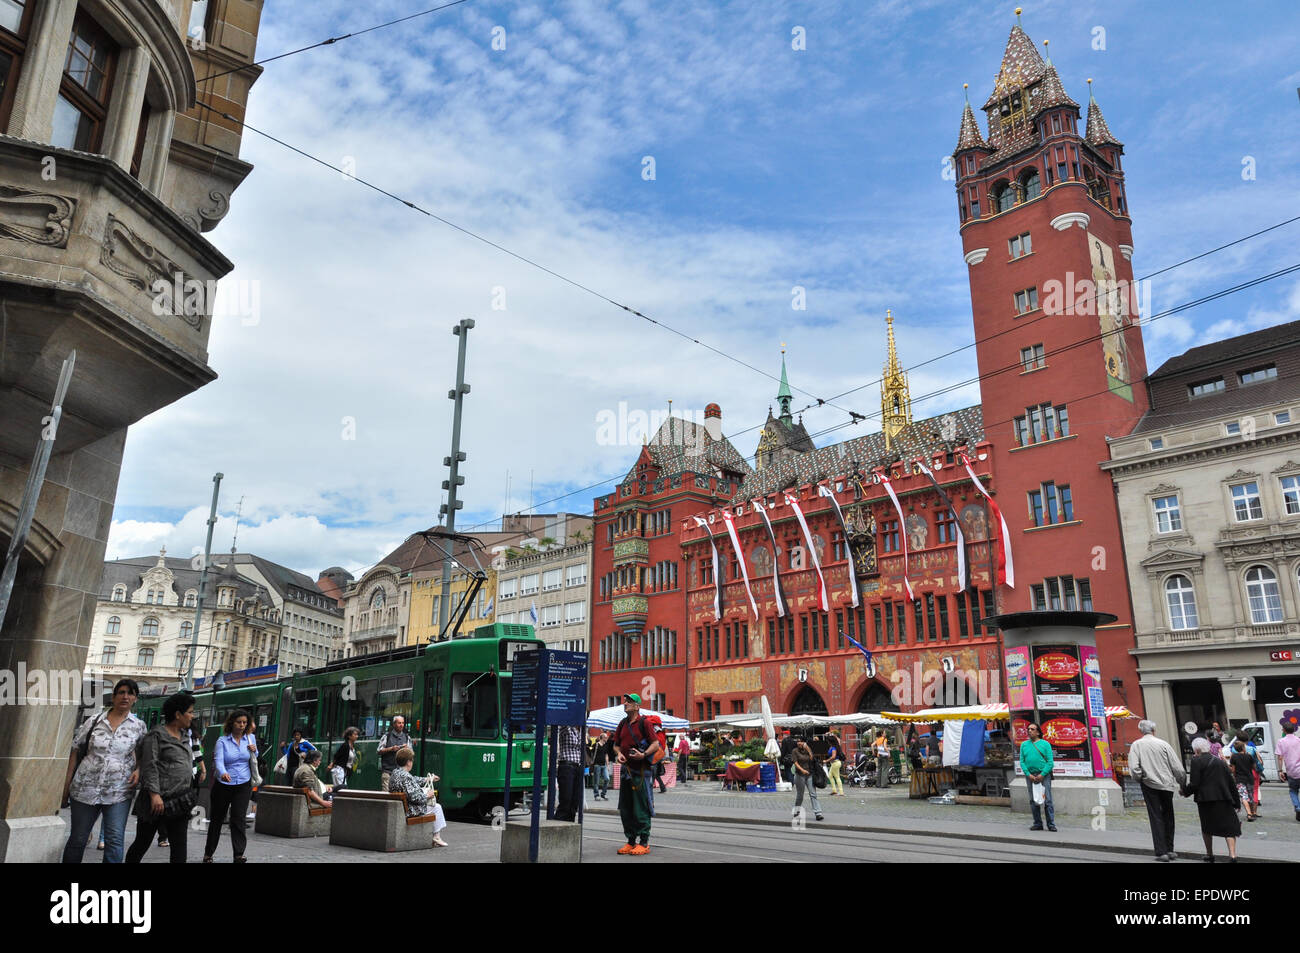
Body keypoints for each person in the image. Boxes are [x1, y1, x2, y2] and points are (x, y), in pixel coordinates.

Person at [62, 678, 147, 864]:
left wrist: (139, 770)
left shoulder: (139, 726)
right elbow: (75, 752)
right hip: (85, 789)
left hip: (119, 791)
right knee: (78, 839)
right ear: (114, 696)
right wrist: (66, 787)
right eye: (121, 692)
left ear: (135, 699)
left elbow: (143, 755)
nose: (125, 696)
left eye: (130, 693)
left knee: (114, 840)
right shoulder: (95, 720)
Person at [126, 693, 198, 863]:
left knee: (180, 847)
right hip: (156, 801)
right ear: (178, 714)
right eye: (190, 712)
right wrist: (154, 795)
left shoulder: (185, 736)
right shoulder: (155, 736)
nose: (193, 716)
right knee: (142, 842)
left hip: (180, 800)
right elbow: (149, 766)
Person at [203, 708, 258, 863]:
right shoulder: (222, 741)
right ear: (232, 723)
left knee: (238, 818)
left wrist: (255, 750)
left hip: (243, 783)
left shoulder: (250, 738)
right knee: (217, 819)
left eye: (244, 723)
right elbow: (218, 760)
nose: (241, 725)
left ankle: (239, 854)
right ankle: (208, 854)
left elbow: (254, 757)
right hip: (224, 784)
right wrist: (223, 772)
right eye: (239, 722)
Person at [1127, 719, 1186, 861]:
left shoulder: (1137, 745)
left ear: (1141, 731)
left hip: (1149, 784)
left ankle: (1161, 851)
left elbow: (1134, 768)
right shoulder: (1164, 744)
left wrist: (1140, 778)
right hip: (1167, 785)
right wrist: (1182, 784)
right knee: (1168, 816)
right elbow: (1178, 769)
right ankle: (1170, 849)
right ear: (1154, 730)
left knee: (1156, 817)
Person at [611, 692, 659, 855]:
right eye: (625, 701)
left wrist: (643, 755)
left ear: (637, 706)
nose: (625, 703)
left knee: (641, 807)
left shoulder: (644, 723)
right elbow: (616, 745)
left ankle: (644, 842)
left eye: (629, 702)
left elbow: (655, 744)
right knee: (626, 807)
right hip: (626, 771)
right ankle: (631, 841)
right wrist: (619, 754)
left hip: (641, 771)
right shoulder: (622, 723)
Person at [1184, 736, 1241, 862]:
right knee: (1229, 827)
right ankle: (1232, 855)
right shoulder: (1220, 761)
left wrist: (1185, 792)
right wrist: (1237, 802)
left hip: (1205, 800)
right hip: (1223, 798)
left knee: (1207, 827)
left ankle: (1209, 854)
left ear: (1197, 750)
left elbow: (1194, 783)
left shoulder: (1196, 761)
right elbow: (1231, 782)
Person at [388, 747, 448, 846]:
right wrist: (427, 795)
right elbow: (415, 798)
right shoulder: (406, 777)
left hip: (402, 807)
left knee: (435, 807)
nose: (412, 762)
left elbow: (413, 780)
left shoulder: (396, 773)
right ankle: (436, 836)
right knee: (437, 807)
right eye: (411, 760)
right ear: (408, 762)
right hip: (410, 810)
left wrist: (428, 779)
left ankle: (435, 836)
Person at [1019, 723, 1057, 832]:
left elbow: (1050, 763)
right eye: (1028, 729)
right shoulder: (1024, 745)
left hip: (1043, 775)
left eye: (1032, 729)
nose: (1029, 731)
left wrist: (1043, 774)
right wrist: (1028, 774)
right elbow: (1022, 761)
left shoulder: (1045, 744)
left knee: (1048, 800)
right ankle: (1037, 823)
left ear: (1038, 732)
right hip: (1030, 775)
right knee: (1033, 800)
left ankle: (1051, 824)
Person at [791, 737, 824, 821]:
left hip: (809, 775)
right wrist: (802, 770)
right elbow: (795, 763)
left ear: (804, 742)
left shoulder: (807, 750)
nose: (799, 743)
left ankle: (818, 813)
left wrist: (808, 749)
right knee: (800, 795)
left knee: (813, 794)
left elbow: (812, 759)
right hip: (799, 775)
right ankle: (797, 810)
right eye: (798, 741)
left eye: (801, 741)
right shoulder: (795, 751)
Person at [555, 724, 584, 821]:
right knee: (566, 800)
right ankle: (556, 826)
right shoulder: (566, 728)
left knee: (574, 802)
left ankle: (569, 827)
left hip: (578, 767)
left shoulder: (581, 730)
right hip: (566, 766)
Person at [1273, 720, 1300, 822]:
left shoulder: (1281, 741)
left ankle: (1298, 807)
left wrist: (1280, 770)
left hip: (1291, 771)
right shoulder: (1299, 740)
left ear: (1283, 730)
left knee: (1293, 791)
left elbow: (1280, 757)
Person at [376, 716, 411, 792]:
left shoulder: (407, 737)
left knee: (399, 796)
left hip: (401, 774)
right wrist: (391, 749)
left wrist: (407, 749)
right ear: (394, 724)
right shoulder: (386, 736)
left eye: (403, 723)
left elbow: (411, 754)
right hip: (388, 772)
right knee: (386, 796)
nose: (401, 725)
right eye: (399, 723)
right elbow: (379, 750)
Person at [1228, 739, 1259, 821]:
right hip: (1250, 779)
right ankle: (1252, 813)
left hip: (1239, 779)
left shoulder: (1234, 757)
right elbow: (1254, 767)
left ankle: (1249, 813)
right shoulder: (1249, 756)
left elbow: (1233, 770)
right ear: (1243, 747)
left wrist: (1234, 776)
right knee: (1251, 796)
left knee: (1244, 797)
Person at [591, 731, 613, 800]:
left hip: (604, 765)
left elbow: (606, 755)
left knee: (607, 779)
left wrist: (608, 765)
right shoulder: (596, 745)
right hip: (597, 765)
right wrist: (592, 763)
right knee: (596, 781)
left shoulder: (606, 746)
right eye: (606, 737)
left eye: (607, 737)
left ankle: (603, 794)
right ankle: (596, 795)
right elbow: (591, 754)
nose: (607, 738)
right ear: (602, 737)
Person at [824, 732, 845, 796]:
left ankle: (840, 792)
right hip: (835, 763)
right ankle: (834, 790)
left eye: (828, 741)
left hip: (835, 763)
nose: (827, 742)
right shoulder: (833, 747)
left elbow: (833, 756)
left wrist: (826, 761)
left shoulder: (833, 748)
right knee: (831, 776)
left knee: (836, 777)